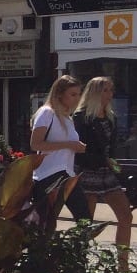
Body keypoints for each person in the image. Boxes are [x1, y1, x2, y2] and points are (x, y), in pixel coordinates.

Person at [73, 76, 134, 270]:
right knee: (87, 224)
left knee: (126, 215)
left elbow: (111, 146)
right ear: (95, 93)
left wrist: (113, 162)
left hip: (107, 172)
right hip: (88, 171)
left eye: (111, 90)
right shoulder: (81, 118)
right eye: (106, 90)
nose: (110, 94)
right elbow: (79, 149)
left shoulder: (110, 117)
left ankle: (122, 266)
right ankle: (77, 263)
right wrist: (102, 159)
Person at [30, 74, 91, 223]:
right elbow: (35, 144)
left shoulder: (67, 118)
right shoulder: (47, 113)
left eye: (78, 94)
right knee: (45, 222)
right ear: (59, 94)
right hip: (48, 175)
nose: (77, 98)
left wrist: (77, 148)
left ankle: (76, 245)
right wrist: (69, 145)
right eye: (72, 94)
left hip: (67, 173)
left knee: (84, 218)